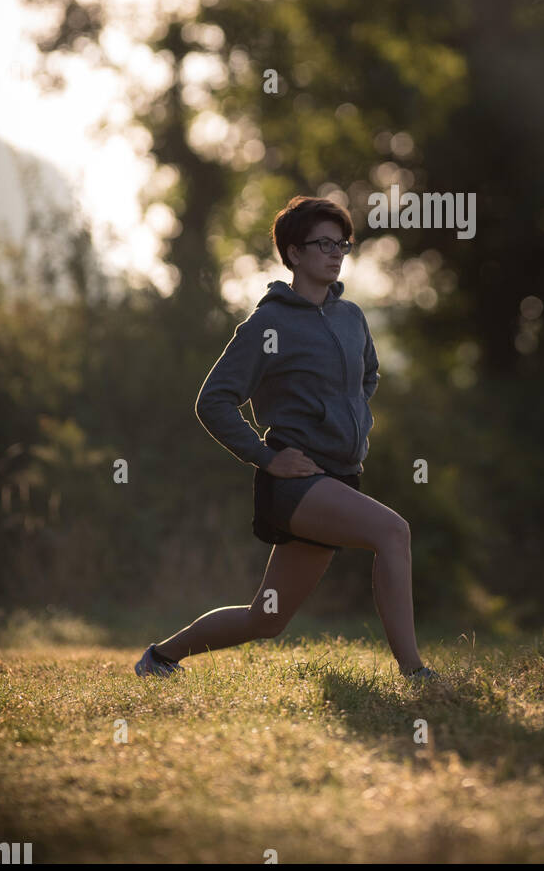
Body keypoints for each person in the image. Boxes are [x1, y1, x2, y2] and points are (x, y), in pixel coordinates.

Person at [134, 195, 439, 685]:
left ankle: (160, 657)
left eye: (342, 243)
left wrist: (354, 414)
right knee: (393, 532)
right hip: (295, 480)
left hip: (340, 478)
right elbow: (213, 400)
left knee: (267, 619)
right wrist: (265, 456)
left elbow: (369, 373)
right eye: (323, 243)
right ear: (294, 254)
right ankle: (415, 672)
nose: (336, 252)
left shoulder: (351, 317)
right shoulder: (268, 324)